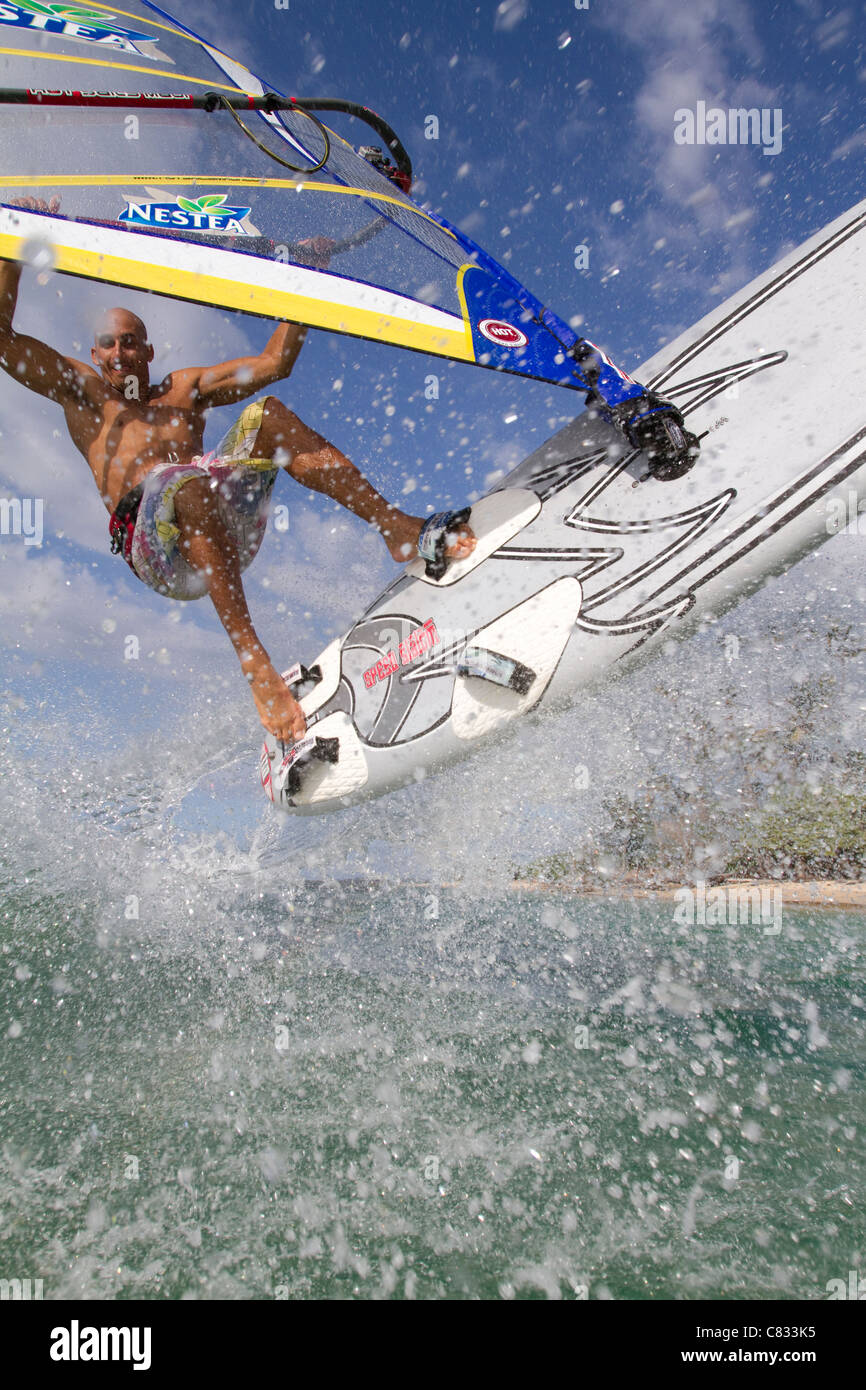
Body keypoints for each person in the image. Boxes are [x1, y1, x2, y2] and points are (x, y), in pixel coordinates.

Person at [0, 227, 476, 745]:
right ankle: (257, 667)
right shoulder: (82, 393)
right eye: (109, 343)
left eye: (130, 341)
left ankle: (397, 528)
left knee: (266, 417)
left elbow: (277, 363)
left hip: (223, 527)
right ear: (95, 353)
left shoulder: (184, 390)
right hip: (155, 552)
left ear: (148, 350)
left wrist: (306, 275)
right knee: (182, 481)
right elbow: (3, 339)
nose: (120, 352)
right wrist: (14, 248)